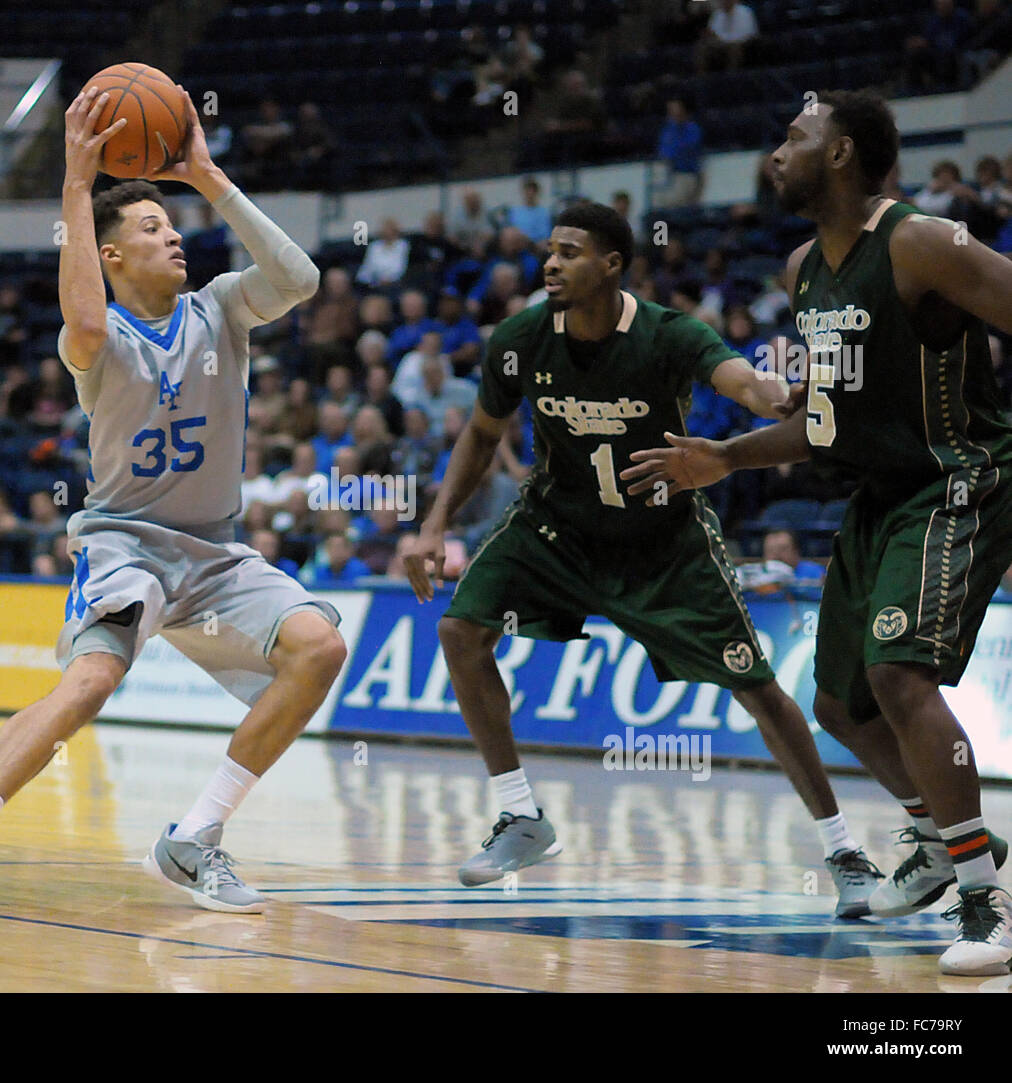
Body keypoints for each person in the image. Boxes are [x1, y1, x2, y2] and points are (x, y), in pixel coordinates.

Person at [0, 83, 346, 918]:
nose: (175, 238)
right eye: (151, 229)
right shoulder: (96, 338)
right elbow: (85, 322)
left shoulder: (222, 309)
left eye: (175, 227)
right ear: (112, 257)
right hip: (125, 541)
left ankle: (194, 838)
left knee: (318, 646)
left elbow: (300, 278)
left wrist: (206, 178)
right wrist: (76, 186)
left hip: (214, 547)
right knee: (91, 680)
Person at [404, 200, 882, 920]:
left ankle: (844, 849)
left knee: (759, 689)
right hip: (556, 528)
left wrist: (777, 393)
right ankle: (521, 816)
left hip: (666, 544)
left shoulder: (667, 334)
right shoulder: (520, 338)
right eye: (548, 252)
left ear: (613, 264)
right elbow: (480, 432)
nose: (551, 263)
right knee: (459, 630)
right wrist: (434, 523)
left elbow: (737, 379)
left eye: (569, 252)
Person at [622, 91, 1012, 975]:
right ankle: (940, 837)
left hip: (960, 478)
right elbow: (823, 425)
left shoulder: (918, 241)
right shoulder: (804, 269)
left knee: (897, 672)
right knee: (840, 702)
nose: (775, 152)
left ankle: (988, 902)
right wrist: (724, 455)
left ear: (839, 153)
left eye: (792, 137)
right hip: (882, 492)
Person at [656, 96, 704, 209]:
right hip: (671, 174)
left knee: (684, 204)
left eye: (676, 109)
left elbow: (688, 149)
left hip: (688, 173)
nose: (674, 113)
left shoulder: (692, 129)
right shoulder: (668, 130)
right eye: (671, 110)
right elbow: (664, 152)